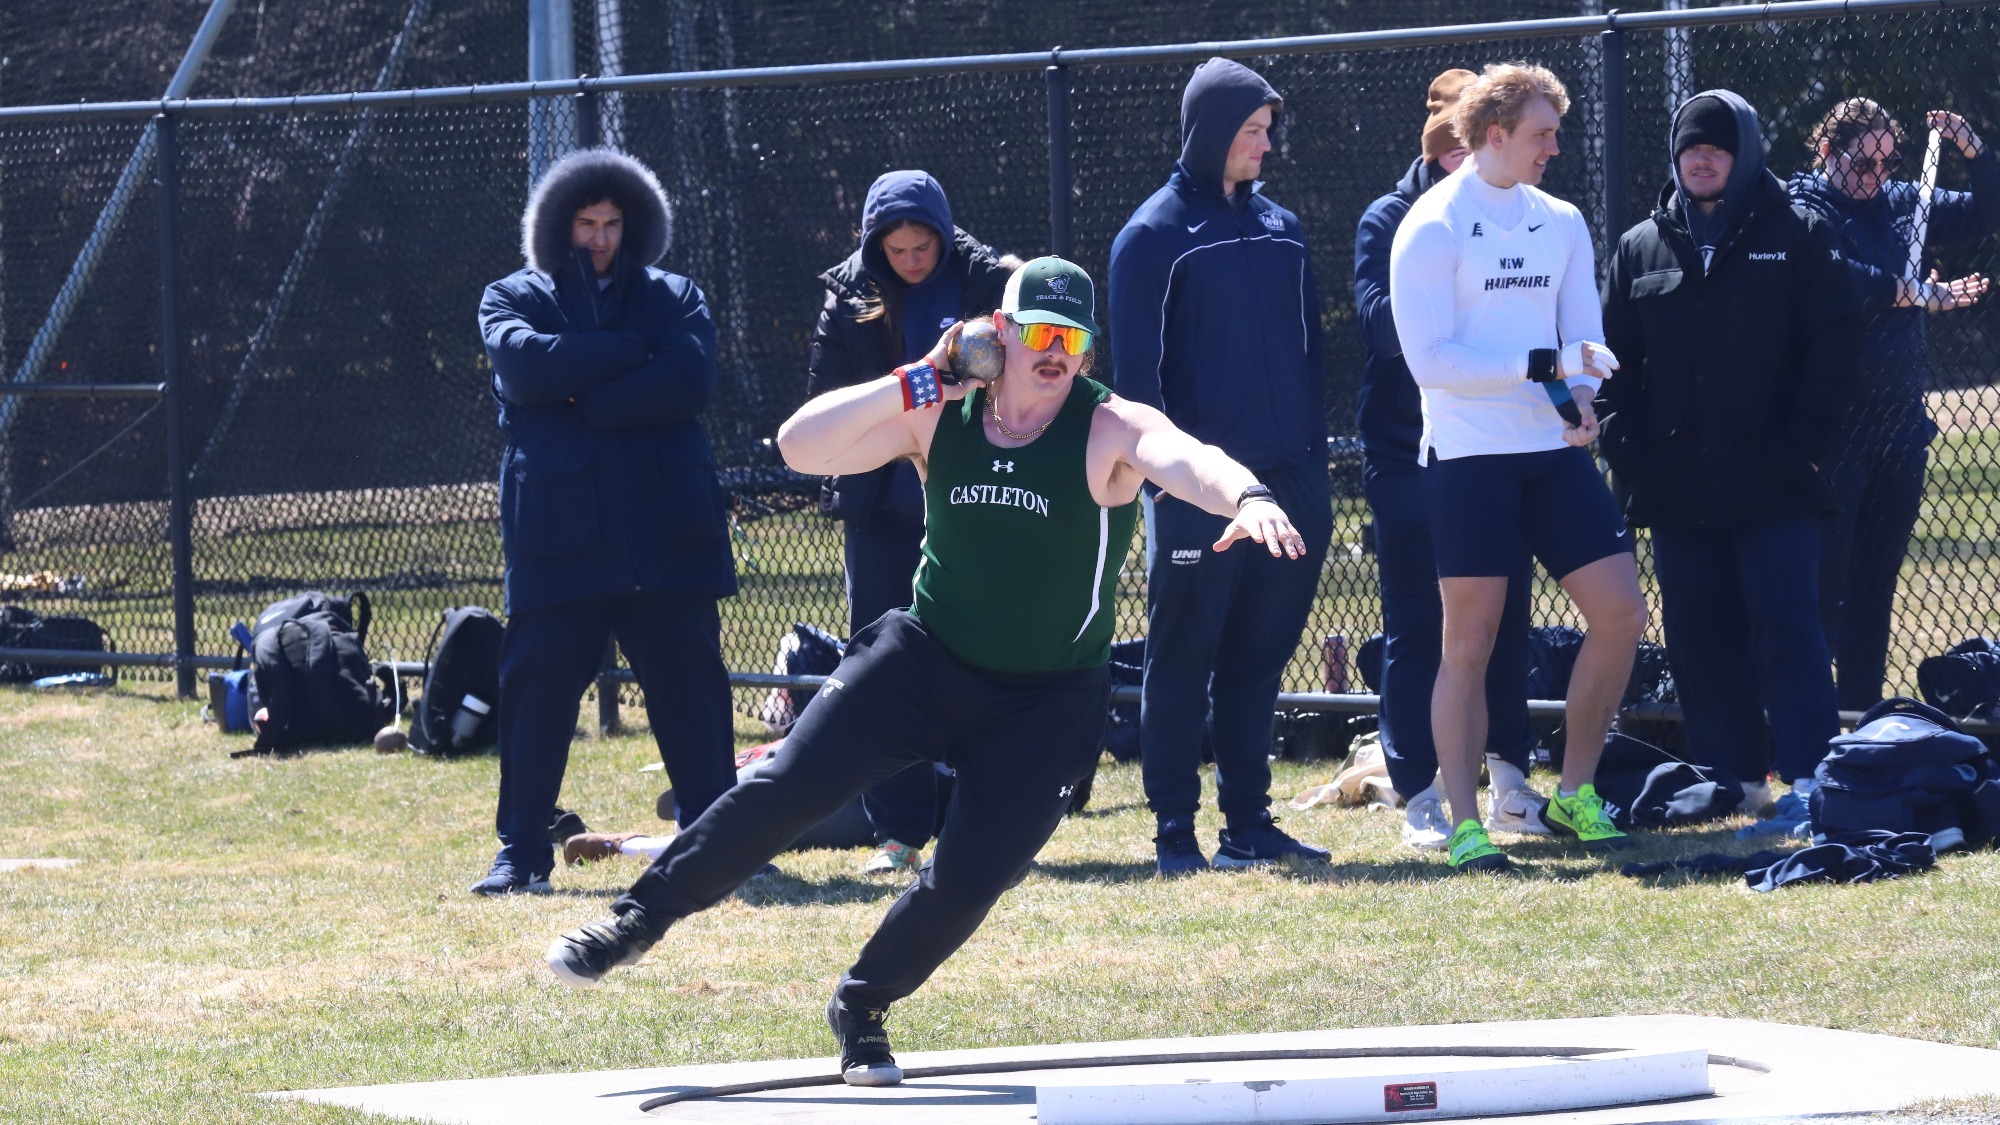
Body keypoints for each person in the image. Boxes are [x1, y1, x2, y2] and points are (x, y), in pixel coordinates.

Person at [545, 257, 1311, 1086]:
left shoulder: (1107, 428)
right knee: (785, 787)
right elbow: (802, 446)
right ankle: (632, 921)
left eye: (1073, 339)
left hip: (1046, 701)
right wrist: (918, 378)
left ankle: (861, 1004)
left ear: (1087, 353)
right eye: (1038, 333)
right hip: (921, 660)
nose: (1054, 352)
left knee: (971, 879)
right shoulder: (939, 412)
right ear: (998, 334)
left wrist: (1249, 496)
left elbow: (1185, 456)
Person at [1388, 62, 1648, 871]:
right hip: (1467, 455)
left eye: (1557, 133)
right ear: (1494, 135)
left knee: (1623, 612)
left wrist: (1578, 404)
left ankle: (1574, 790)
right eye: (1542, 133)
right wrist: (1546, 359)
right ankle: (1465, 821)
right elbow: (1432, 363)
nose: (1554, 148)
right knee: (1468, 640)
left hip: (1547, 453)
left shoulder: (1561, 221)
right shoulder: (1430, 226)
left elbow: (1581, 340)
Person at [470, 148, 739, 895]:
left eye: (613, 223)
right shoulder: (509, 297)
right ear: (559, 226)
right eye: (585, 223)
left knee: (692, 689)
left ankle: (717, 842)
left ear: (634, 224)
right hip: (560, 536)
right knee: (537, 696)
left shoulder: (676, 294)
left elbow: (689, 381)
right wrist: (628, 353)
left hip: (667, 530)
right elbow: (526, 371)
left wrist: (582, 394)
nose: (599, 238)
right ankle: (521, 851)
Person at [1599, 90, 1863, 816]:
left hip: (1775, 485)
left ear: (1744, 151)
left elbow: (1838, 347)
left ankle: (1812, 780)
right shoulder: (1639, 246)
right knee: (1699, 637)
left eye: (1716, 146)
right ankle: (1734, 779)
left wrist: (1804, 448)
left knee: (1788, 629)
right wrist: (1633, 455)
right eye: (1690, 148)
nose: (1702, 158)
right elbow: (1608, 366)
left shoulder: (1802, 230)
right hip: (1679, 492)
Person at [1108, 56, 1334, 875]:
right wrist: (1179, 478)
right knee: (1182, 657)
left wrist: (1307, 467)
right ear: (1209, 133)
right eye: (1249, 130)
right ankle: (1175, 830)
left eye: (1268, 130)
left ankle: (1250, 824)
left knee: (1259, 657)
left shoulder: (1284, 227)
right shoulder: (1152, 237)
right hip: (1198, 490)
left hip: (1295, 483)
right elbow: (1134, 394)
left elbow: (1312, 353)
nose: (1264, 145)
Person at [1354, 67, 1546, 851]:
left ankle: (1509, 779)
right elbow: (1382, 326)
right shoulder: (1392, 219)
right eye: (1451, 152)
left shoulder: (1527, 217)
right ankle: (1421, 790)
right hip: (1407, 451)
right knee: (1415, 625)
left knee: (1502, 620)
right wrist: (1461, 312)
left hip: (1499, 448)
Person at [810, 170, 1020, 876]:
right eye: (895, 250)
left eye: (921, 245)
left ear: (942, 231)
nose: (910, 261)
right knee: (883, 669)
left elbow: (1038, 367)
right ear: (875, 247)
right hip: (883, 510)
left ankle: (986, 820)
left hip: (975, 502)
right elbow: (826, 399)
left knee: (985, 659)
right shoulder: (847, 295)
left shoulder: (991, 280)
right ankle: (897, 832)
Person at [1787, 99, 1995, 713]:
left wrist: (1972, 148)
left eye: (1886, 162)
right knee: (1824, 589)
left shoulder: (1906, 201)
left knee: (1874, 589)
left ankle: (1859, 716)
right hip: (1835, 433)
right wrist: (1919, 294)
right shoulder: (1805, 208)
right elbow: (1836, 282)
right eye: (1862, 162)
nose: (1874, 176)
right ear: (1828, 152)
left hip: (1901, 429)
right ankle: (1802, 721)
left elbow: (1989, 210)